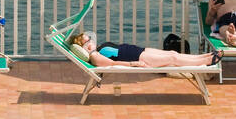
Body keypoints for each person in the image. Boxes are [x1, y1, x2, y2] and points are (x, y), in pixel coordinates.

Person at [67, 31, 218, 68]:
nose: (91, 40)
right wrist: (133, 64)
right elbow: (112, 64)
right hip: (140, 58)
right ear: (85, 46)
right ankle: (206, 62)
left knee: (173, 53)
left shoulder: (98, 50)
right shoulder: (95, 56)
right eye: (88, 39)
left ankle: (205, 57)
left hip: (140, 50)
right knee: (173, 59)